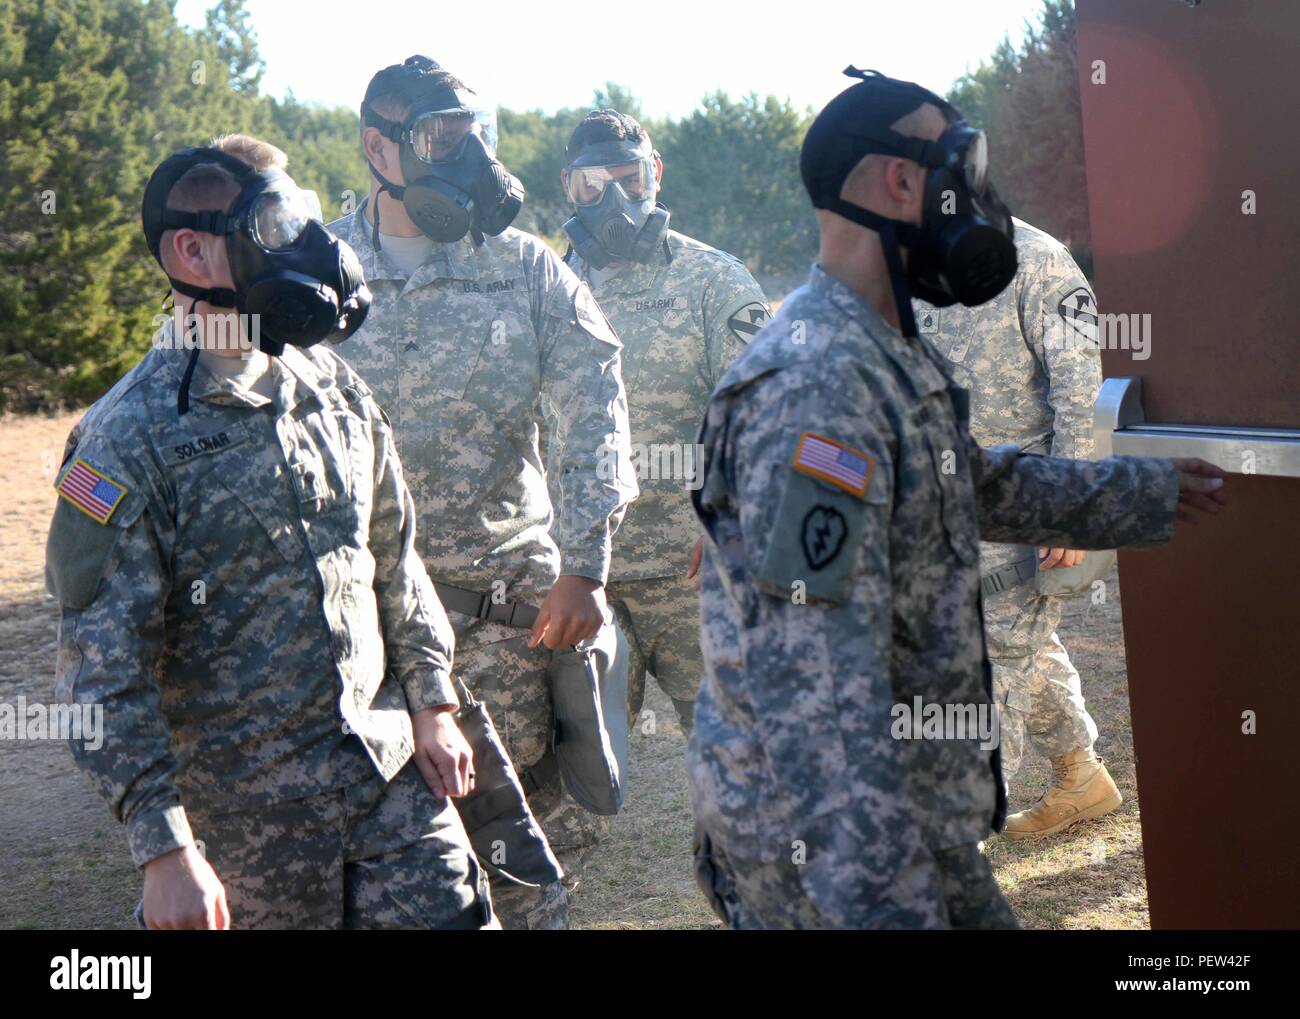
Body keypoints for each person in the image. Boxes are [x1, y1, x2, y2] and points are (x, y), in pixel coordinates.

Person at [687, 68, 1229, 929]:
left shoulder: (880, 350)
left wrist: (1149, 490)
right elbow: (803, 677)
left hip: (911, 818)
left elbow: (975, 479)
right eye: (961, 171)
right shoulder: (817, 382)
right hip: (838, 849)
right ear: (903, 182)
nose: (978, 199)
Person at [46, 134, 494, 929]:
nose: (310, 247)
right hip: (248, 832)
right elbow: (102, 670)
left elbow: (393, 556)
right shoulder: (123, 440)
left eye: (304, 220)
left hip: (387, 779)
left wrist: (431, 700)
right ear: (192, 249)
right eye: (274, 226)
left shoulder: (335, 389)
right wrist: (164, 848)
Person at [327, 57, 637, 929]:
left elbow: (596, 407)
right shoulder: (320, 273)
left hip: (508, 626)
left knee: (528, 869)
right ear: (376, 148)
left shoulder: (524, 269)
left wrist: (587, 566)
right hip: (367, 641)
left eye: (472, 137)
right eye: (437, 139)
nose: (461, 159)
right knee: (384, 875)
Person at [553, 108, 771, 734]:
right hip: (579, 571)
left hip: (691, 568)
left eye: (632, 179)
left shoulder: (713, 279)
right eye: (597, 185)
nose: (617, 199)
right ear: (570, 185)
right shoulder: (544, 283)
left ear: (657, 175)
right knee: (573, 772)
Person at [918, 221, 1120, 838]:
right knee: (1016, 645)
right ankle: (1080, 776)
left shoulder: (1037, 260)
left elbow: (1082, 389)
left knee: (987, 661)